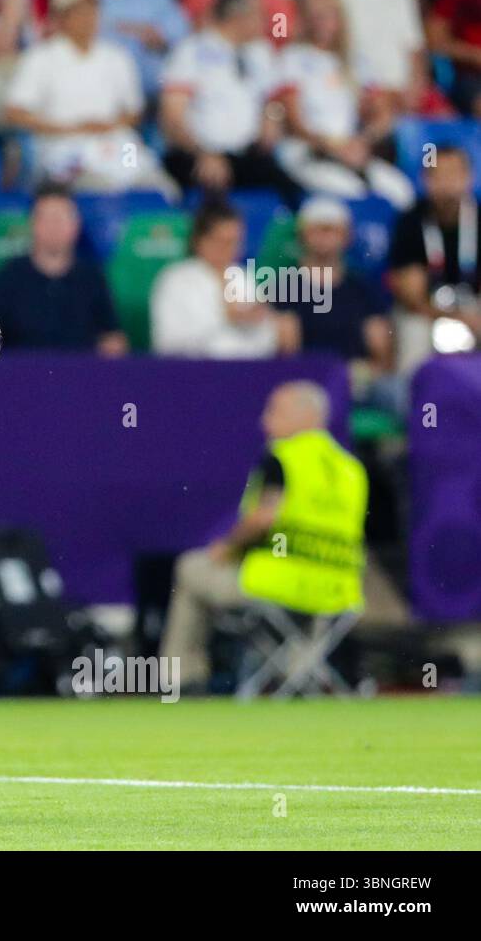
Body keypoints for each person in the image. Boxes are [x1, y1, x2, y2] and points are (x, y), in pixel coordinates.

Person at [159, 381, 368, 690]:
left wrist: (228, 547)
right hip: (337, 591)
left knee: (190, 567)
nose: (264, 421)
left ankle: (181, 680)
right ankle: (298, 676)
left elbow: (264, 517)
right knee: (294, 619)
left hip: (277, 583)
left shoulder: (284, 457)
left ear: (306, 416)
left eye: (275, 411)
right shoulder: (351, 468)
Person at [4, 0, 175, 196]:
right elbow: (15, 112)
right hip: (62, 146)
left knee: (159, 189)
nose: (87, 19)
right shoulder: (41, 57)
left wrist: (107, 125)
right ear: (61, 17)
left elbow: (133, 112)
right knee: (97, 188)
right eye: (79, 12)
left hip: (115, 143)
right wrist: (70, 128)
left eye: (92, 11)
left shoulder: (116, 56)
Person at [159, 0, 301, 206]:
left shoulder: (261, 52)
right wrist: (202, 154)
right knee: (212, 195)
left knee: (293, 193)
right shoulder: (191, 51)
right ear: (240, 17)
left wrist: (271, 118)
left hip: (247, 154)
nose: (266, 22)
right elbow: (173, 117)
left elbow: (274, 103)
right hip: (198, 153)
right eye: (260, 15)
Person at [275, 0, 414, 210]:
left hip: (351, 148)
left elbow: (384, 113)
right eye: (315, 16)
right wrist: (332, 146)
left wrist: (363, 140)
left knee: (402, 192)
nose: (320, 22)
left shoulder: (356, 62)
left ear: (340, 19)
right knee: (351, 191)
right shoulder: (292, 59)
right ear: (304, 19)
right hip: (308, 149)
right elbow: (295, 121)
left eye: (327, 15)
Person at [279, 197, 400, 414]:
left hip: (359, 380)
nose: (324, 238)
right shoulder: (285, 287)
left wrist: (366, 371)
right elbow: (288, 350)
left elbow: (381, 347)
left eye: (331, 230)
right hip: (308, 382)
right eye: (317, 230)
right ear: (302, 235)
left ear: (346, 236)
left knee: (397, 392)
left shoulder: (362, 288)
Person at [0, 185, 127, 353]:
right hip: (21, 375)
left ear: (76, 225)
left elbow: (113, 337)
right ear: (32, 224)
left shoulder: (92, 277)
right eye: (46, 219)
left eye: (61, 218)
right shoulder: (7, 279)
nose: (54, 227)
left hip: (81, 375)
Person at [151, 200, 298, 358]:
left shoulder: (244, 277)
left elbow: (263, 339)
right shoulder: (175, 279)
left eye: (234, 242)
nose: (228, 249)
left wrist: (275, 330)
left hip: (246, 372)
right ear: (198, 240)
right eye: (221, 241)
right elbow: (167, 342)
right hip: (192, 373)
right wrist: (225, 318)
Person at [387, 145, 481, 374]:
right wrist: (455, 317)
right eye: (438, 175)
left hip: (474, 304)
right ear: (425, 179)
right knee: (414, 336)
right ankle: (413, 402)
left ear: (469, 177)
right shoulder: (411, 221)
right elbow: (412, 294)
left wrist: (472, 317)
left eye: (453, 174)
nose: (446, 183)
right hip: (426, 310)